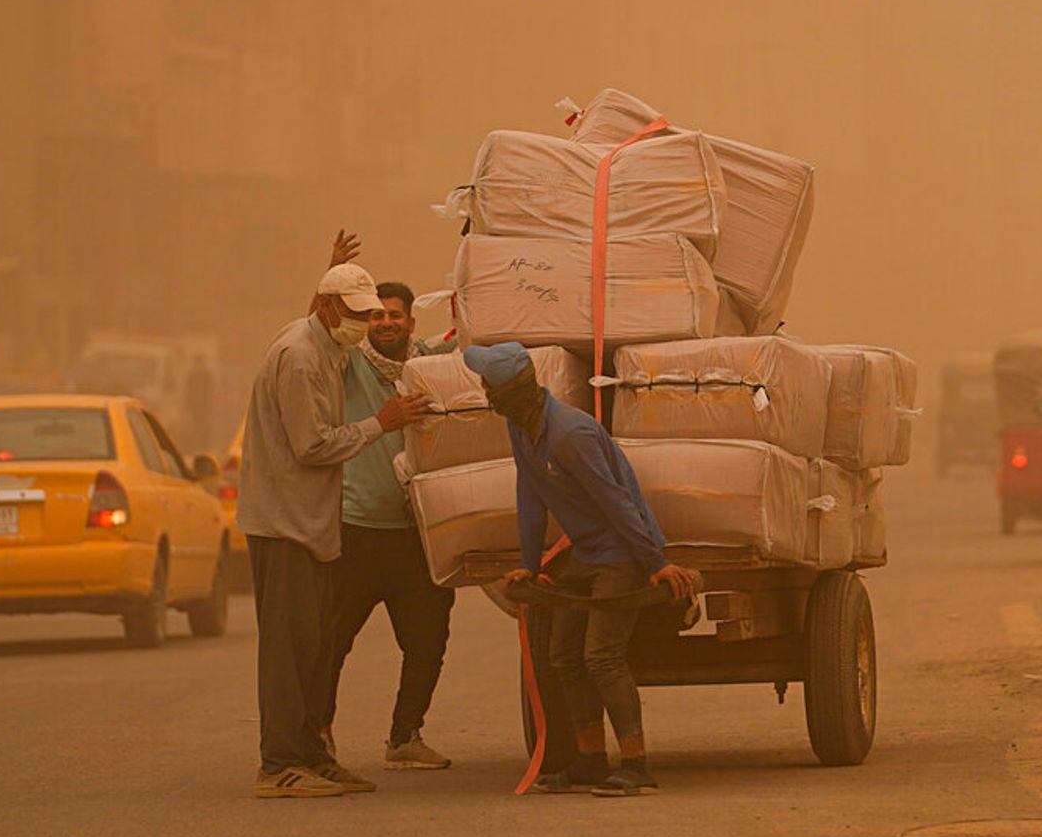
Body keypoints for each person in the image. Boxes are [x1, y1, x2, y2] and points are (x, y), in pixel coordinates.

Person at [237, 239, 433, 799]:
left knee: (312, 648)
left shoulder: (326, 344)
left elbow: (324, 319)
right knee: (286, 650)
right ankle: (279, 766)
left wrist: (330, 276)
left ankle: (310, 755)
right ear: (330, 311)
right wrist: (383, 422)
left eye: (370, 314)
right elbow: (312, 446)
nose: (366, 325)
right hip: (284, 523)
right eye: (357, 315)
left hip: (310, 523)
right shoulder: (301, 356)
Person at [463, 342, 698, 797]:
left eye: (487, 386)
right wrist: (528, 566)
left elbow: (618, 501)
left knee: (601, 656)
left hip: (620, 553)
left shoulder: (570, 435)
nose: (484, 393)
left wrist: (655, 562)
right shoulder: (521, 427)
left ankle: (637, 765)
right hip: (587, 553)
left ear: (505, 393)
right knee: (563, 655)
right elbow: (529, 496)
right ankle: (591, 759)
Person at [319, 275, 459, 771]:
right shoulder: (349, 362)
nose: (384, 323)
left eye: (394, 315)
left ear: (410, 322)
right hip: (356, 531)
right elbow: (318, 329)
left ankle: (405, 736)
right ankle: (319, 736)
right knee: (330, 643)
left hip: (417, 536)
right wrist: (329, 281)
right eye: (376, 315)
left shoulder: (428, 365)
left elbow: (474, 339)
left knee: (428, 641)